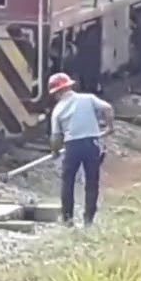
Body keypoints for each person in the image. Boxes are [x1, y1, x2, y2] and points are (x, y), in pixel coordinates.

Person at [48, 72, 114, 228]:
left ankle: (67, 220)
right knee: (92, 182)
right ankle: (88, 220)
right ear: (69, 86)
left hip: (72, 147)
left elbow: (56, 137)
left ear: (57, 93)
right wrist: (110, 127)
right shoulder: (88, 98)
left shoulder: (58, 110)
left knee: (68, 182)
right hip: (91, 144)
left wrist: (55, 151)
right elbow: (108, 108)